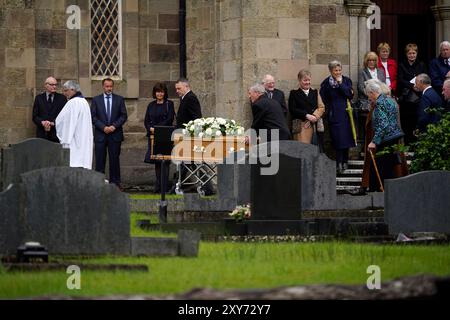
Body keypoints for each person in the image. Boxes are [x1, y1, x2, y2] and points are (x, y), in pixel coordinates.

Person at [174, 78, 214, 195]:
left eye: (179, 88)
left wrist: (191, 134)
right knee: (189, 162)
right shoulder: (184, 98)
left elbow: (197, 118)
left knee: (193, 162)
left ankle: (207, 187)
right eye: (176, 88)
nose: (177, 91)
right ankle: (206, 187)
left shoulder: (191, 98)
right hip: (184, 137)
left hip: (190, 137)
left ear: (186, 86)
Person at [366, 79, 404, 192]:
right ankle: (389, 189)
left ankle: (375, 190)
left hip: (386, 138)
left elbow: (383, 124)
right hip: (395, 137)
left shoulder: (379, 104)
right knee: (389, 165)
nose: (369, 98)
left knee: (380, 165)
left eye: (368, 95)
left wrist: (374, 141)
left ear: (372, 92)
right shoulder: (390, 101)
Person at [91, 78, 128, 190]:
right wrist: (103, 127)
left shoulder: (119, 99)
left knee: (114, 160)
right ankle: (99, 183)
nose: (109, 88)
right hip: (100, 135)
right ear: (103, 86)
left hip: (115, 134)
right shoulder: (96, 100)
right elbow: (93, 117)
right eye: (107, 86)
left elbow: (123, 116)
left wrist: (113, 126)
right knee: (100, 160)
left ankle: (115, 183)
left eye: (111, 86)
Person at [320, 60, 355, 172]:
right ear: (331, 71)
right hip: (334, 114)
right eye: (336, 70)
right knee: (337, 139)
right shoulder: (326, 83)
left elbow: (349, 94)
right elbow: (322, 99)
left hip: (346, 114)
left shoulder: (346, 81)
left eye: (340, 70)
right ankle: (339, 162)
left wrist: (340, 83)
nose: (338, 72)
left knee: (347, 138)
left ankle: (345, 161)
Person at [144, 82, 175, 193]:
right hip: (153, 137)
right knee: (156, 161)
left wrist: (157, 128)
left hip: (165, 136)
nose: (159, 94)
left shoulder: (169, 104)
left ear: (164, 93)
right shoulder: (151, 105)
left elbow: (170, 119)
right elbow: (146, 120)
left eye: (161, 92)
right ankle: (158, 186)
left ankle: (164, 187)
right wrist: (150, 129)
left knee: (165, 161)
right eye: (158, 92)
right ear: (155, 93)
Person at [55, 81, 93, 169]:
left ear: (72, 90)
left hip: (74, 141)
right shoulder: (84, 102)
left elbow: (66, 122)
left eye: (65, 91)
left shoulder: (73, 103)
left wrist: (65, 139)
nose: (64, 94)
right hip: (82, 139)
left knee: (74, 163)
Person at [397, 43, 428, 144]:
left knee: (417, 120)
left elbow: (425, 77)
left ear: (417, 53)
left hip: (418, 98)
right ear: (406, 54)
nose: (412, 55)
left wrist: (418, 87)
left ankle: (416, 143)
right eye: (410, 53)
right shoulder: (402, 65)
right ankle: (407, 142)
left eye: (414, 53)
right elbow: (400, 80)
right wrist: (412, 86)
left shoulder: (421, 65)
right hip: (406, 99)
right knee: (406, 121)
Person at [288, 69, 325, 149]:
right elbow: (292, 109)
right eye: (305, 80)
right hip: (301, 126)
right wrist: (306, 115)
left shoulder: (315, 92)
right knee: (303, 150)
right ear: (299, 80)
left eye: (309, 80)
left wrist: (314, 117)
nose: (307, 82)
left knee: (316, 150)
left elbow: (321, 107)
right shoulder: (294, 93)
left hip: (315, 125)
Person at [32, 77, 67, 142]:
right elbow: (34, 116)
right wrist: (42, 122)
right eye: (52, 85)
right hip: (42, 134)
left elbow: (65, 116)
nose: (54, 87)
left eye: (55, 85)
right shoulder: (39, 98)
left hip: (56, 134)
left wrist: (53, 123)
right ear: (46, 85)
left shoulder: (62, 98)